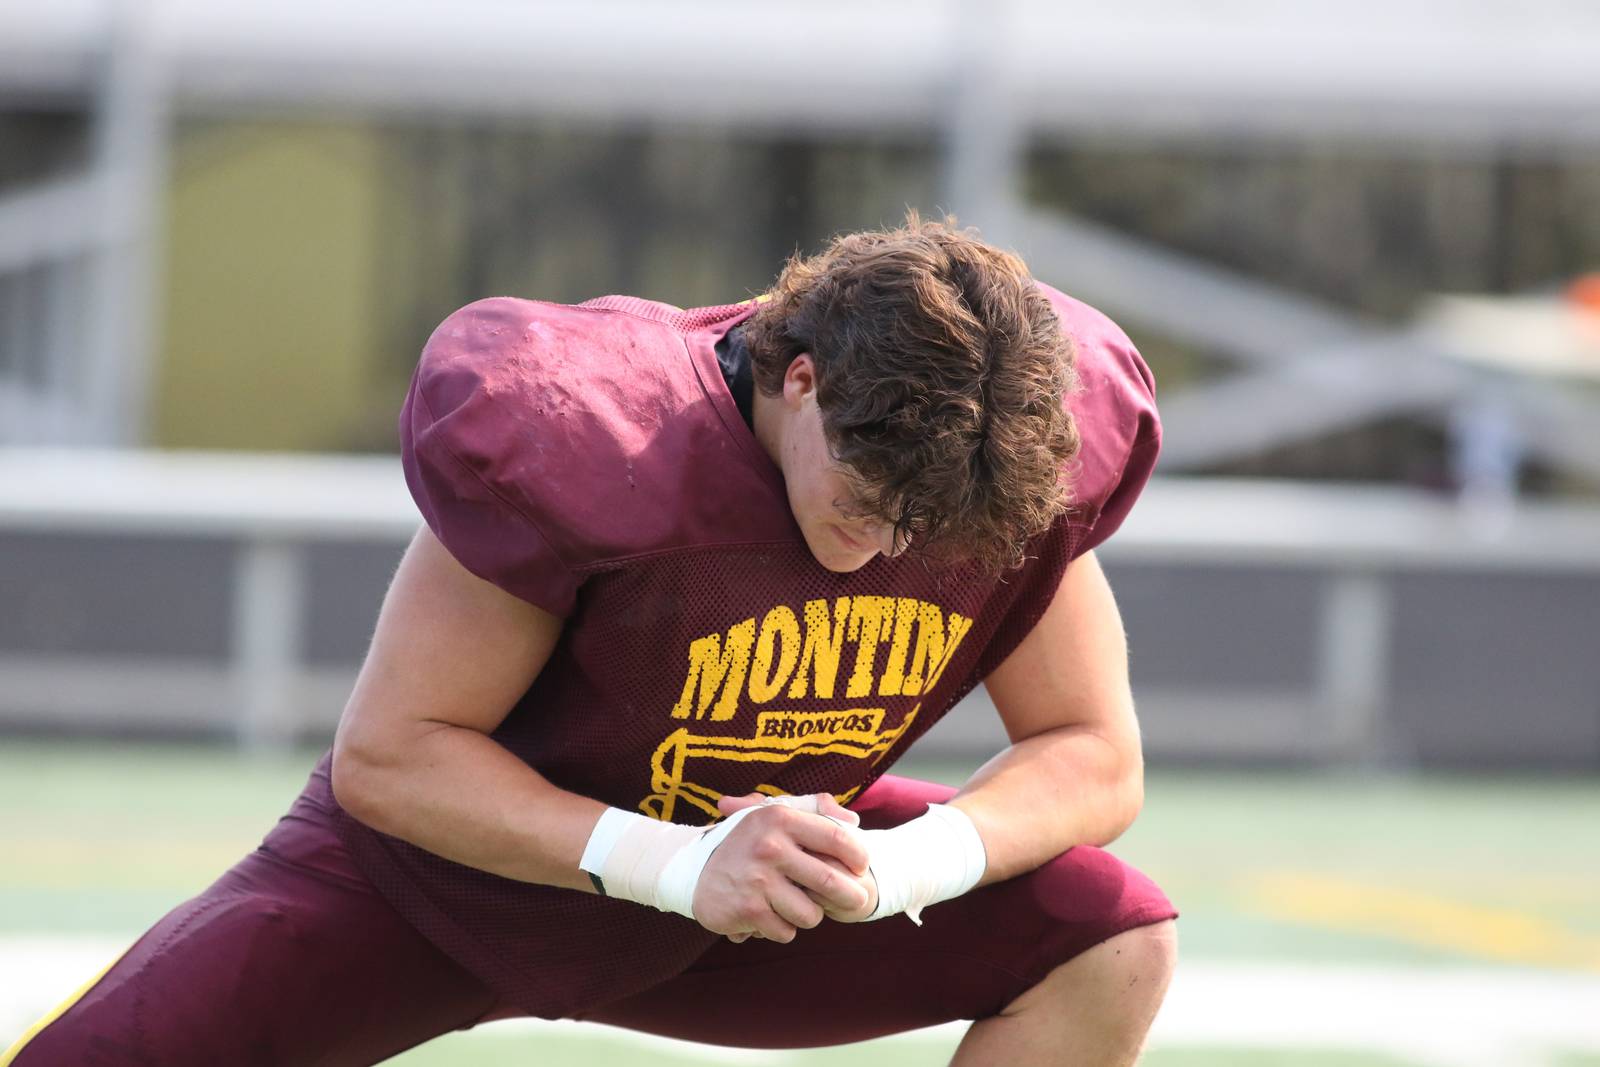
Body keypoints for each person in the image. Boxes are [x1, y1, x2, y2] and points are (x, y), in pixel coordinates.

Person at [3, 214, 1176, 1066]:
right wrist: (675, 863)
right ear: (802, 380)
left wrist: (896, 872)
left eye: (923, 532)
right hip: (444, 891)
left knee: (1105, 933)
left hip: (757, 901)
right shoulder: (590, 437)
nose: (881, 552)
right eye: (868, 505)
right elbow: (395, 753)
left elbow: (1089, 749)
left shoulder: (997, 453)